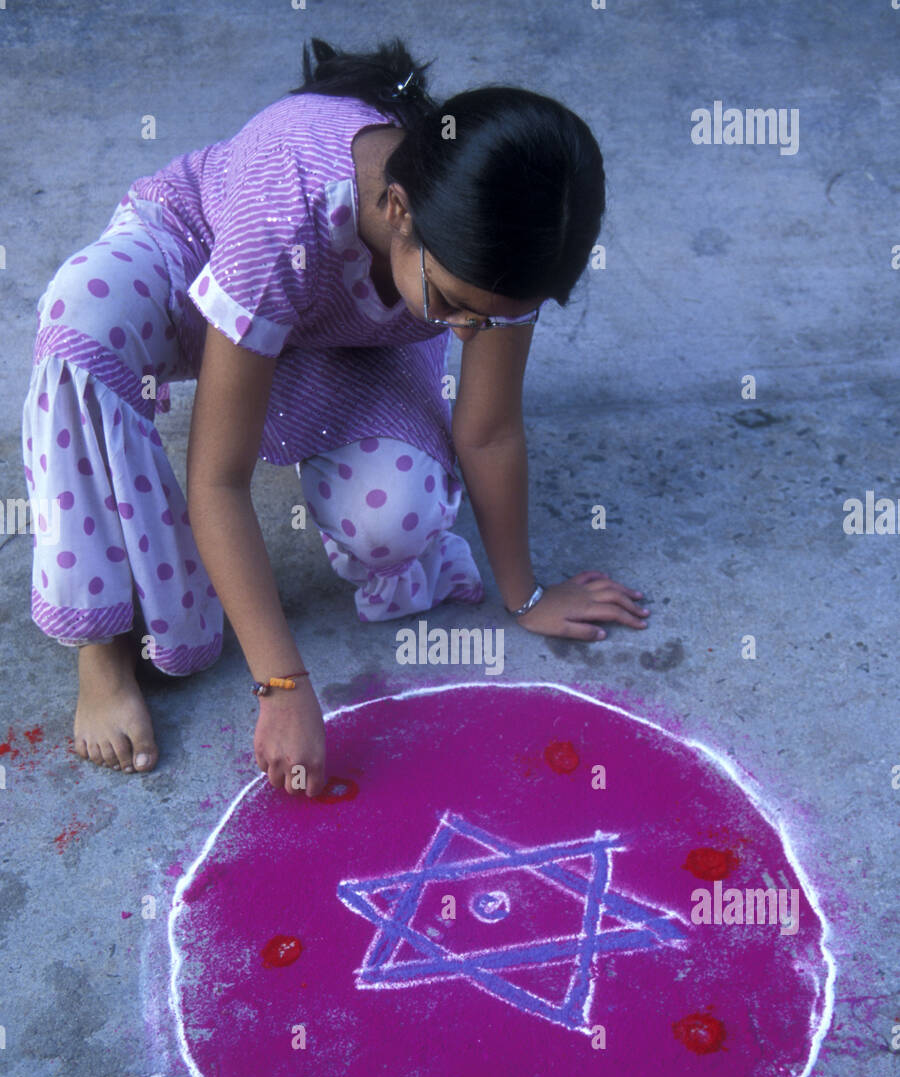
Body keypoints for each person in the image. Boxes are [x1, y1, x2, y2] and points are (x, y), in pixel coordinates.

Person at [21, 36, 650, 793]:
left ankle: (338, 385)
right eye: (453, 305)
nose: (466, 332)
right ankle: (104, 639)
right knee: (78, 330)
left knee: (396, 520)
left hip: (347, 334)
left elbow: (486, 430)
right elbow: (218, 479)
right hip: (205, 255)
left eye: (489, 320)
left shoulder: (505, 247)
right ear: (398, 210)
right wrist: (282, 686)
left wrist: (527, 594)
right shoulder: (283, 207)